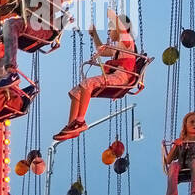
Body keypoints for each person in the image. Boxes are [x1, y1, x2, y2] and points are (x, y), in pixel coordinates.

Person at [54, 10, 138, 140]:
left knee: (88, 83)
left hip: (122, 78)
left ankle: (80, 121)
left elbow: (122, 30)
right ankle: (71, 125)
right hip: (116, 77)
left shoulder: (128, 42)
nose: (109, 32)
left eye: (111, 28)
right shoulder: (118, 48)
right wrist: (94, 35)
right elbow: (102, 50)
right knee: (76, 91)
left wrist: (111, 14)